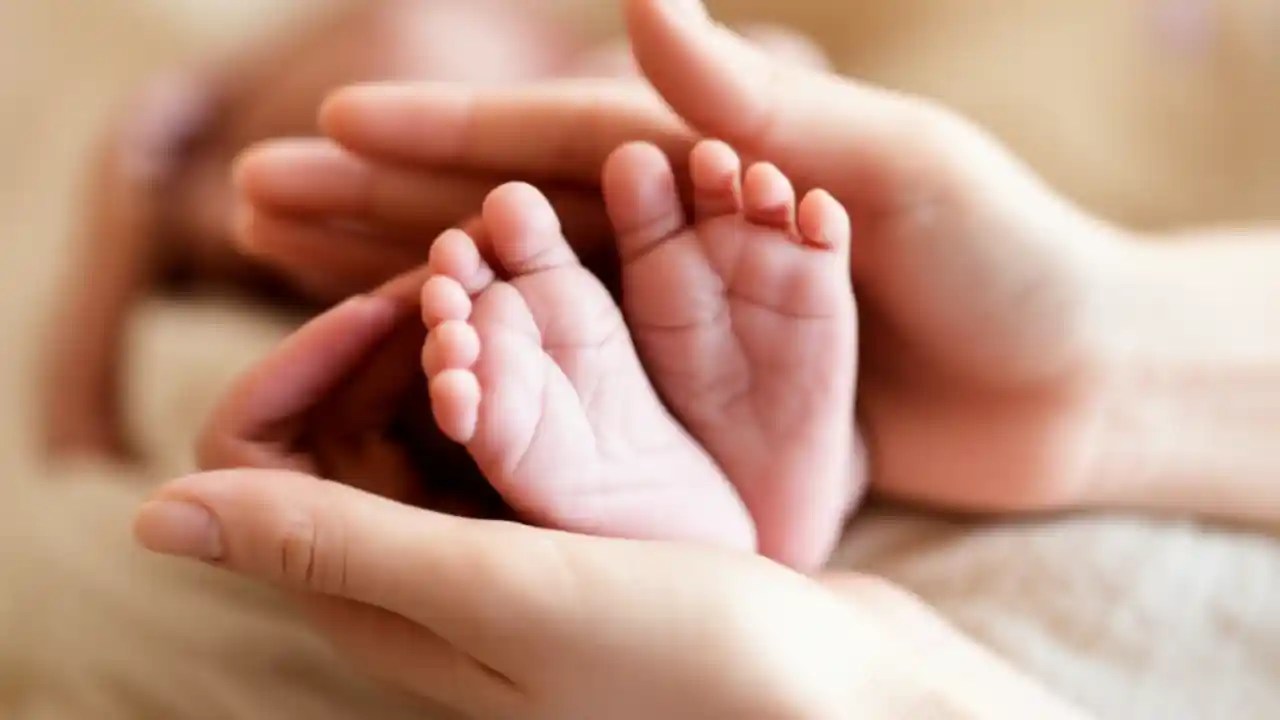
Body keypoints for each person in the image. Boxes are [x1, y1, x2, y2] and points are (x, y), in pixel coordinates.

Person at [136, 0, 1280, 716]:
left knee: (661, 212)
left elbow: (770, 77)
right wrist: (145, 201)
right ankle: (689, 473)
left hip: (628, 277)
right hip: (510, 350)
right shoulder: (274, 262)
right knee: (496, 360)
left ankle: (730, 452)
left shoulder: (597, 129)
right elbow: (153, 238)